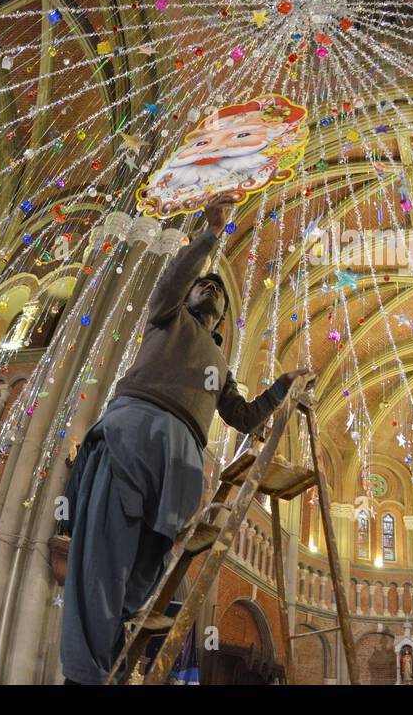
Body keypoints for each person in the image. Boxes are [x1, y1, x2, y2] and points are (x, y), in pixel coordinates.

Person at [61, 199, 311, 684]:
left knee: (143, 580)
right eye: (205, 283)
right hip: (134, 434)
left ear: (221, 320)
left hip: (180, 466)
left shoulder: (220, 367)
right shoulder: (166, 318)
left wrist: (281, 387)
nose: (210, 288)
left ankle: (111, 666)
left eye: (217, 290)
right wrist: (210, 235)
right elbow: (172, 283)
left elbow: (241, 416)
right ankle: (82, 677)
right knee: (101, 562)